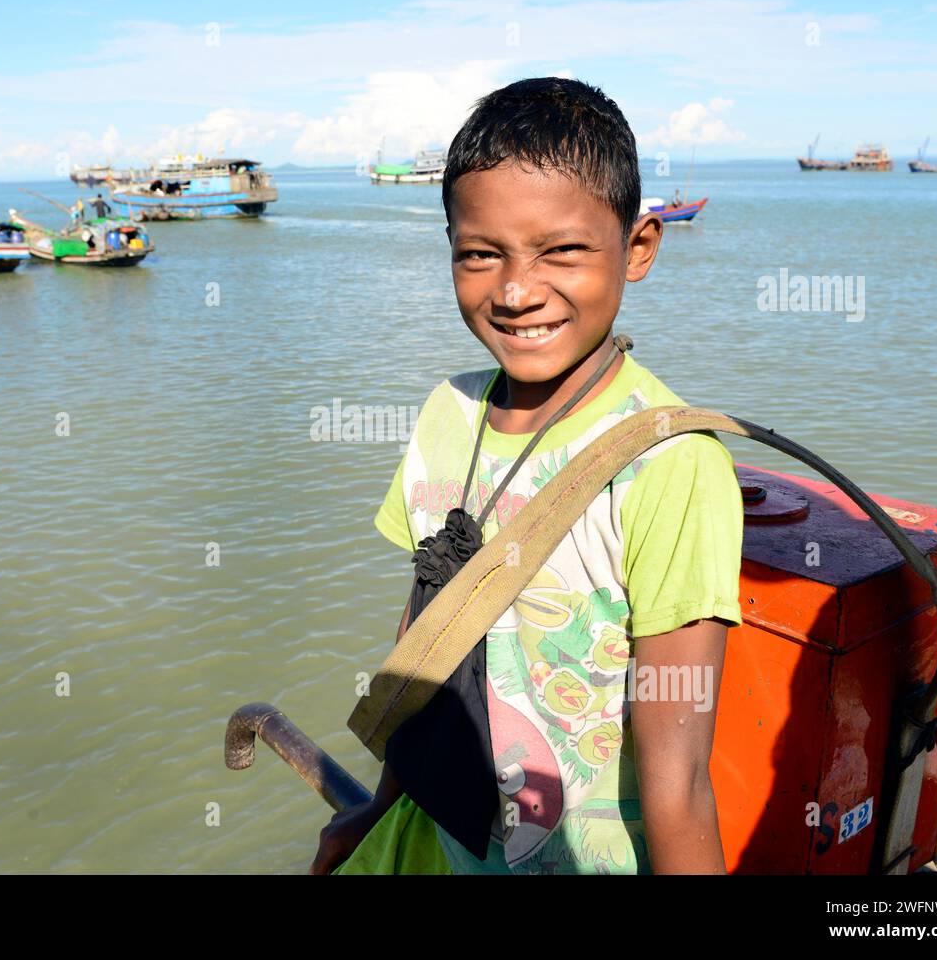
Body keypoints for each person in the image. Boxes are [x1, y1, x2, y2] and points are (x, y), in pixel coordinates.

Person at [311, 77, 743, 876]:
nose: (515, 291)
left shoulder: (672, 464)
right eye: (480, 253)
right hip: (444, 840)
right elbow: (426, 637)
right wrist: (378, 806)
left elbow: (679, 781)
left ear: (639, 247)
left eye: (562, 250)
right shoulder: (447, 414)